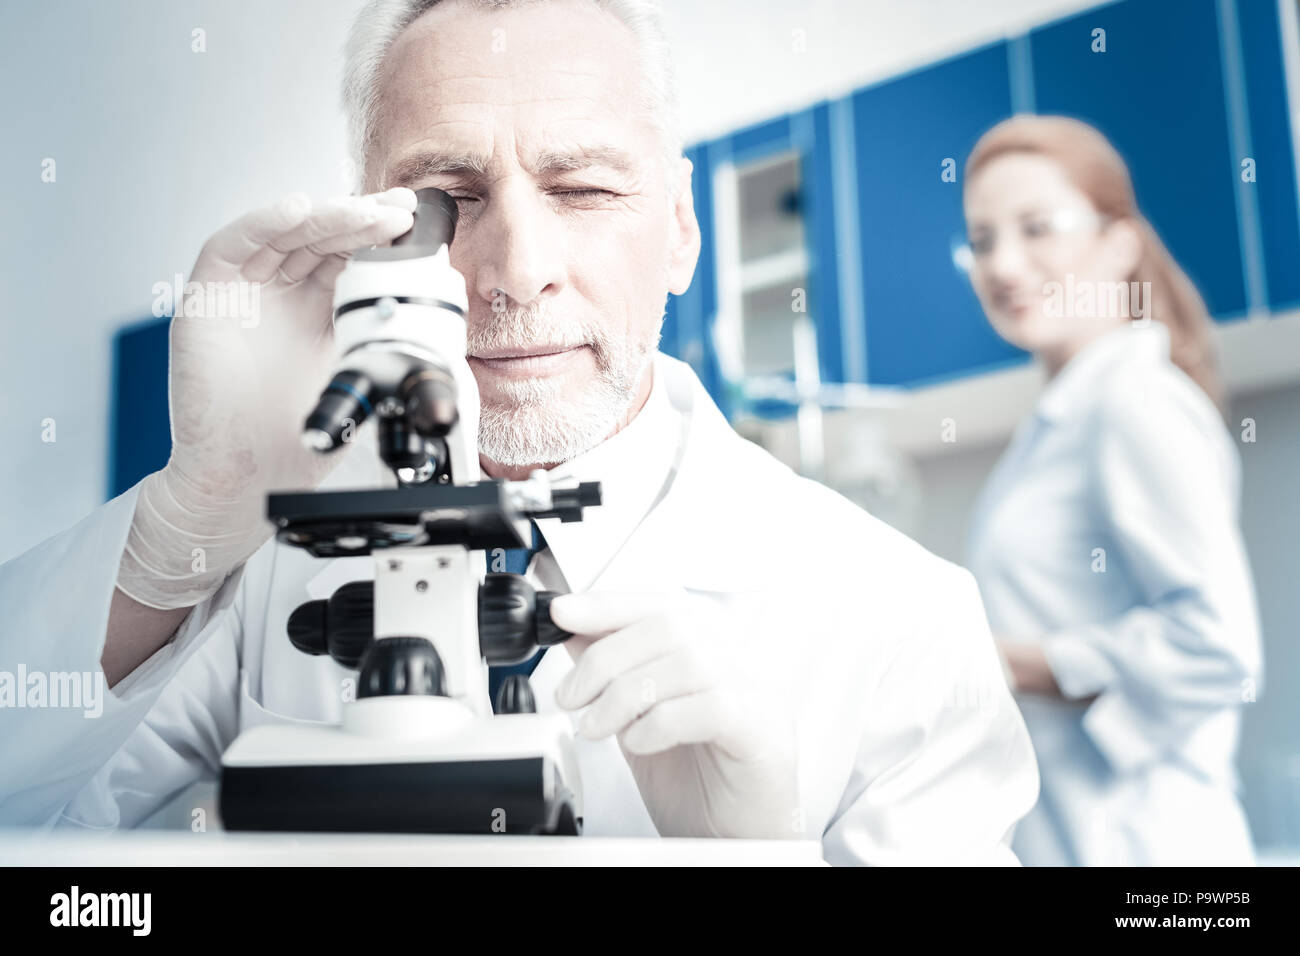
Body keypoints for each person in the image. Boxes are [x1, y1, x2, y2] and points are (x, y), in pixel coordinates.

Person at [0, 0, 1037, 864]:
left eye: (582, 188)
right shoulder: (263, 571)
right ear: (370, 234)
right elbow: (39, 832)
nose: (513, 268)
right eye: (446, 201)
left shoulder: (902, 621)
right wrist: (193, 511)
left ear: (680, 228)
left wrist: (752, 858)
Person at [960, 115, 1262, 865]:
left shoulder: (1135, 403)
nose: (1005, 263)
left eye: (1038, 228)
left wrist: (1000, 661)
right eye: (984, 238)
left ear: (1119, 244)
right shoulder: (1061, 423)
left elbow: (1219, 648)